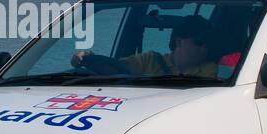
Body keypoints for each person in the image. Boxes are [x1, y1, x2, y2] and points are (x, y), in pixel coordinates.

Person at [72, 16, 219, 78]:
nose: (205, 47)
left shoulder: (213, 70)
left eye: (208, 42)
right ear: (179, 42)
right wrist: (87, 59)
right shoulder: (149, 60)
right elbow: (115, 70)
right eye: (200, 41)